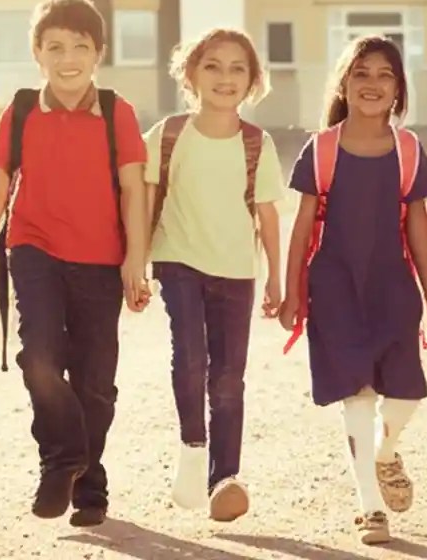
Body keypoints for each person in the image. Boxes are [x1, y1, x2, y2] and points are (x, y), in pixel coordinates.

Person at [0, 0, 149, 527]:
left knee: (95, 380)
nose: (67, 59)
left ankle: (90, 487)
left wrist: (136, 258)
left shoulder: (118, 112)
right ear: (37, 54)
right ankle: (61, 459)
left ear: (99, 53)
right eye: (55, 47)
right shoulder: (21, 111)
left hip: (100, 259)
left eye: (80, 46)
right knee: (39, 357)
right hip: (34, 249)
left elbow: (135, 190)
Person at [278, 35, 427, 546]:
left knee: (403, 396)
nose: (372, 84)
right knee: (355, 394)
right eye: (361, 73)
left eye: (384, 75)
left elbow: (419, 229)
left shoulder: (409, 149)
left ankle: (386, 451)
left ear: (399, 89)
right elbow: (303, 225)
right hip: (334, 286)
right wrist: (292, 292)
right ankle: (370, 505)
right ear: (344, 84)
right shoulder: (321, 148)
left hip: (393, 285)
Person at [144, 28, 285, 523]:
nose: (225, 77)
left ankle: (225, 477)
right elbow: (140, 199)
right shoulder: (168, 134)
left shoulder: (257, 143)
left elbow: (268, 214)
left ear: (251, 81)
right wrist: (133, 265)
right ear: (191, 74)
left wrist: (275, 279)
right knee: (190, 356)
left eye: (237, 68)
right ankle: (193, 448)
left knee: (228, 378)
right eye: (213, 66)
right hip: (177, 260)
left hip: (235, 271)